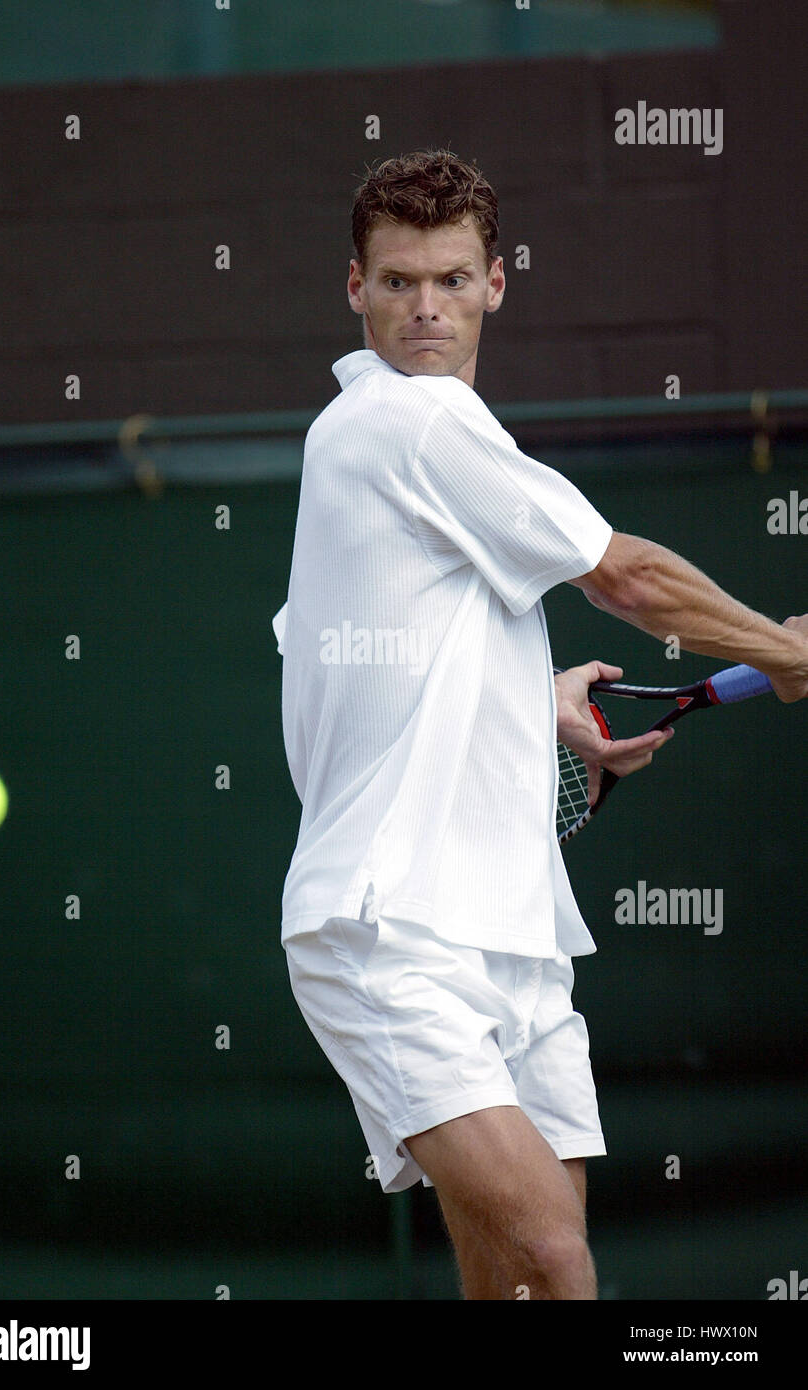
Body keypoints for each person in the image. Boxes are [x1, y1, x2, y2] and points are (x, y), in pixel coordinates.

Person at [271, 149, 808, 1300]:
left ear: (496, 284)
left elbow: (360, 658)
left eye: (452, 281)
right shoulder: (404, 425)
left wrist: (536, 700)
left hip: (512, 935)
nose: (426, 309)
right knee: (552, 1260)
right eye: (400, 281)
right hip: (390, 928)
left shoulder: (386, 458)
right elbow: (627, 577)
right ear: (352, 288)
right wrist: (783, 649)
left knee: (510, 1279)